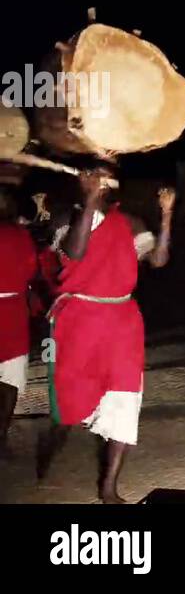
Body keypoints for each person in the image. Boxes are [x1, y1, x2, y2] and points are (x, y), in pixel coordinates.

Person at [38, 165, 175, 503]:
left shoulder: (130, 223)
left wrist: (167, 215)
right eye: (94, 177)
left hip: (122, 321)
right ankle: (46, 447)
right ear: (83, 182)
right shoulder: (64, 219)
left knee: (126, 400)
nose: (102, 183)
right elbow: (76, 251)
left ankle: (109, 487)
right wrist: (88, 201)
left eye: (106, 178)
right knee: (72, 402)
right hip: (80, 321)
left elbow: (158, 260)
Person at [0, 187, 38, 457]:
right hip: (12, 309)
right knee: (10, 377)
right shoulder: (20, 235)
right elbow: (31, 270)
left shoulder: (20, 234)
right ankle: (1, 432)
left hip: (13, 308)